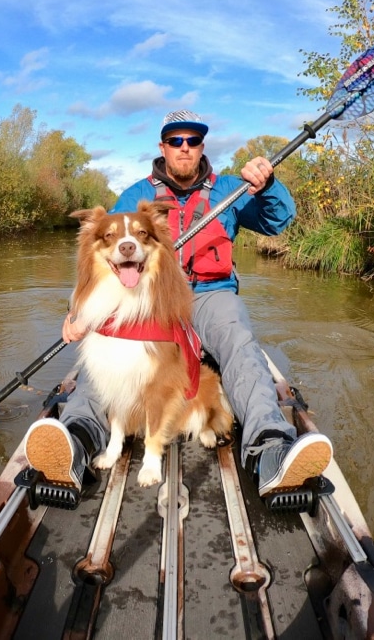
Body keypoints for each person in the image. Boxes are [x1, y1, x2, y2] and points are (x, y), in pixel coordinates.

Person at [25, 109, 332, 502]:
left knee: (239, 341)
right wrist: (78, 312)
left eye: (192, 141)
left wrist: (267, 185)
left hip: (210, 295)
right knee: (104, 357)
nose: (184, 148)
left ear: (202, 146)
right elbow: (99, 253)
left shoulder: (230, 190)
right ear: (163, 147)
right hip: (153, 298)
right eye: (176, 141)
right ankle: (78, 440)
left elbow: (277, 220)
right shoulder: (136, 194)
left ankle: (269, 448)